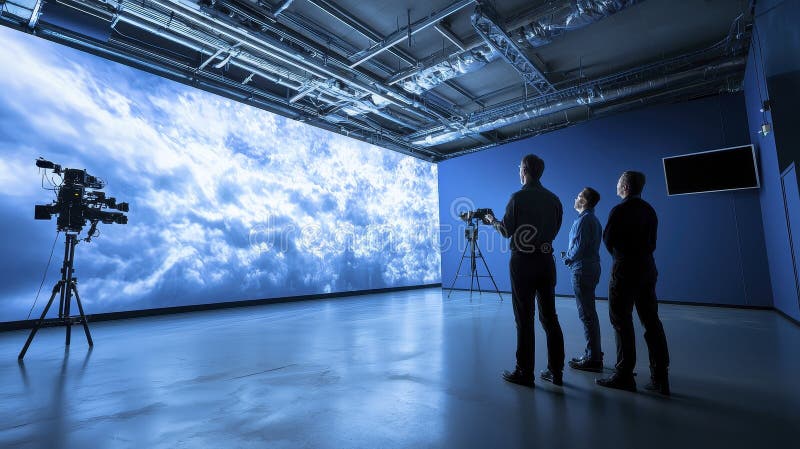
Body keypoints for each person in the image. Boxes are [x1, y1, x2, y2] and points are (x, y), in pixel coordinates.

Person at [484, 154, 565, 387]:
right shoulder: (554, 199)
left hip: (523, 262)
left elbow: (507, 231)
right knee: (550, 318)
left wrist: (492, 221)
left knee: (524, 318)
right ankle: (556, 371)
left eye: (519, 168)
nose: (518, 171)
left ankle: (524, 372)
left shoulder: (517, 198)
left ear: (525, 170)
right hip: (546, 261)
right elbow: (555, 228)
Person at [596, 171, 670, 395]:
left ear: (625, 187)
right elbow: (653, 242)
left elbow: (608, 240)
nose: (616, 185)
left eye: (619, 182)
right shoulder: (649, 210)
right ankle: (660, 377)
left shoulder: (619, 210)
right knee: (651, 321)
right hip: (647, 268)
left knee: (621, 321)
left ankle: (624, 375)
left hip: (625, 269)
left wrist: (621, 257)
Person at [561, 187, 604, 372]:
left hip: (581, 270)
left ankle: (592, 358)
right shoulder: (593, 220)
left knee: (586, 315)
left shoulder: (583, 220)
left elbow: (577, 249)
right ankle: (594, 353)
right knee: (590, 314)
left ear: (584, 201)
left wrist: (567, 257)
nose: (576, 197)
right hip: (591, 268)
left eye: (579, 195)